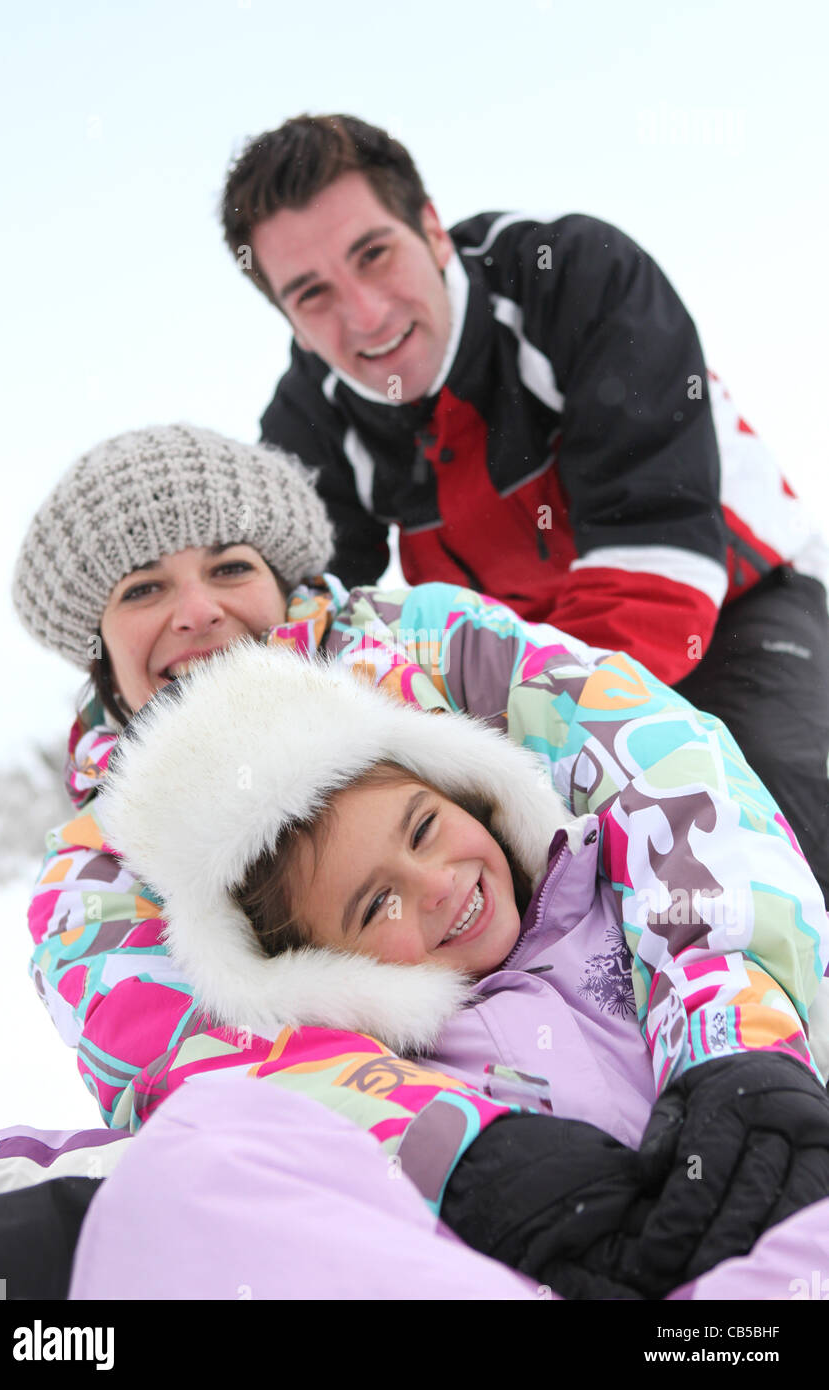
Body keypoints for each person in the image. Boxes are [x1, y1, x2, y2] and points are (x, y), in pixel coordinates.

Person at [96, 638, 829, 1298]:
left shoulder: (627, 900)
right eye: (375, 903)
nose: (437, 884)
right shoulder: (405, 1077)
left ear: (465, 787)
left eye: (422, 827)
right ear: (320, 970)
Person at [220, 112, 829, 900]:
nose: (366, 315)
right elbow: (291, 622)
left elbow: (656, 557)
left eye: (374, 255)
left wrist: (530, 764)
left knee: (743, 817)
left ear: (432, 230)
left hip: (734, 601)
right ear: (289, 322)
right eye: (313, 295)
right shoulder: (312, 422)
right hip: (530, 666)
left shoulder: (576, 278)